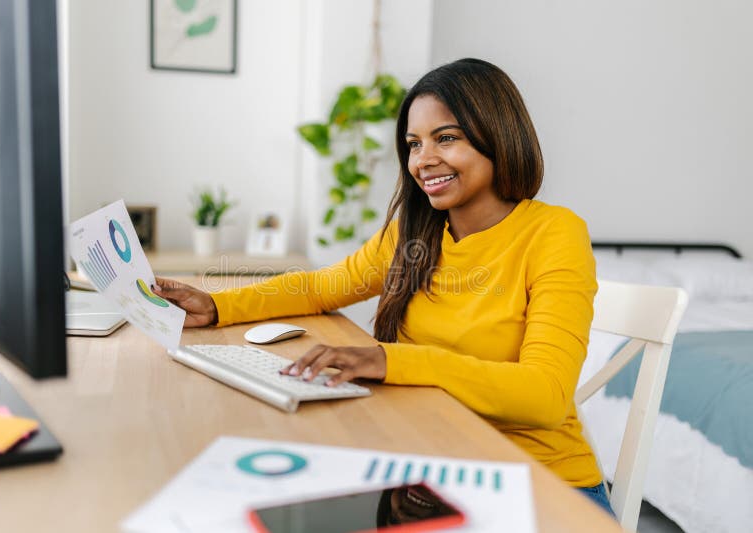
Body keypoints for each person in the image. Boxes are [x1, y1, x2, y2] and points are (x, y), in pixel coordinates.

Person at [153, 58, 613, 516]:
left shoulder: (553, 233)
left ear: (498, 134)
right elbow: (320, 288)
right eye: (414, 144)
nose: (424, 159)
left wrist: (389, 359)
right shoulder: (414, 233)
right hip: (432, 469)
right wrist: (216, 305)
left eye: (446, 138)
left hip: (541, 486)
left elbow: (546, 395)